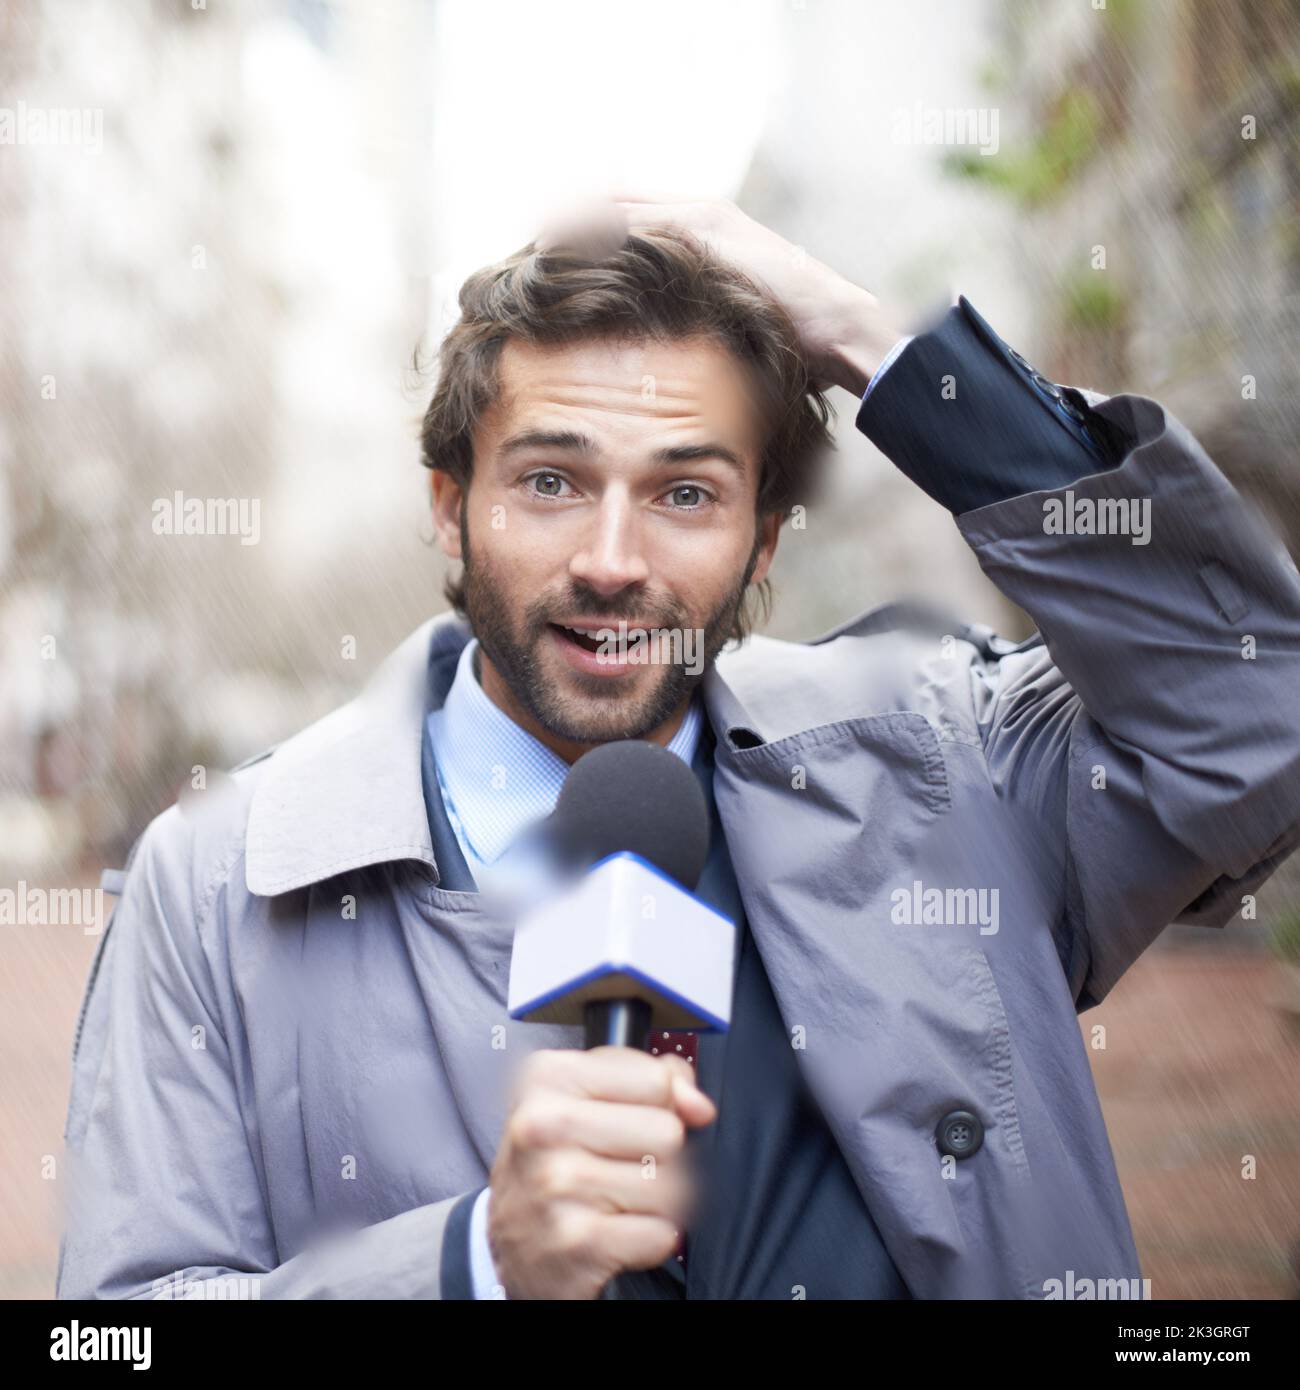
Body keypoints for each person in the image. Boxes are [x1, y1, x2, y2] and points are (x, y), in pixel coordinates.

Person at [57, 194, 1300, 1300]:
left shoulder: (948, 760)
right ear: (450, 508)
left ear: (765, 542)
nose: (611, 559)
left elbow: (1254, 707)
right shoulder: (214, 883)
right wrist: (471, 1265)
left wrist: (884, 347)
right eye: (549, 481)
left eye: (687, 492)